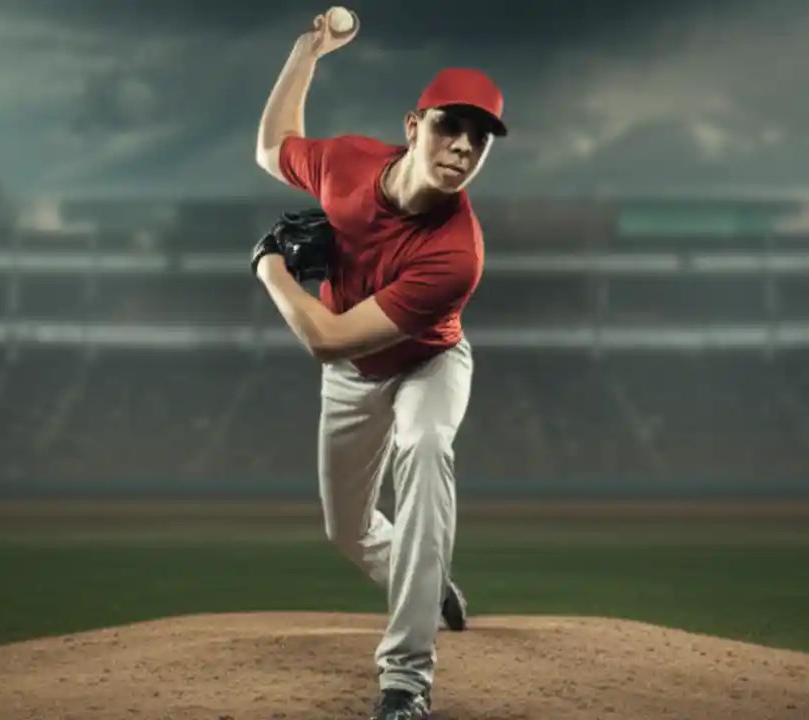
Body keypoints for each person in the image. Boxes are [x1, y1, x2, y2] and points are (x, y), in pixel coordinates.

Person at [252, 7, 507, 718]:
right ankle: (429, 585)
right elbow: (274, 147)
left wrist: (271, 269)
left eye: (480, 137)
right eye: (449, 126)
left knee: (425, 448)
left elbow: (326, 337)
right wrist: (308, 51)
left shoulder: (457, 254)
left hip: (429, 365)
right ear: (412, 126)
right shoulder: (346, 166)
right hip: (354, 380)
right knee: (346, 528)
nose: (463, 146)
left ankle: (406, 679)